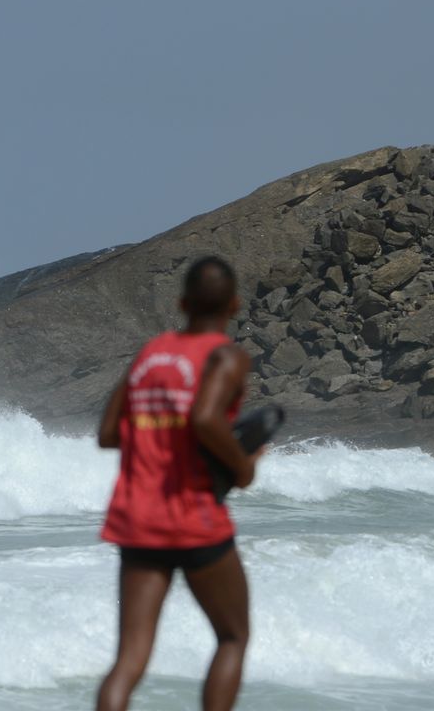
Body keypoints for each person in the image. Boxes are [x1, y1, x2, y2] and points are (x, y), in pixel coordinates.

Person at [95, 256, 259, 711]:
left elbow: (108, 434)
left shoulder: (149, 356)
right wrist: (243, 467)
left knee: (129, 659)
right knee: (232, 636)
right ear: (234, 305)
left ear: (182, 303)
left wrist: (157, 435)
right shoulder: (226, 356)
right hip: (193, 516)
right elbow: (204, 418)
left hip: (137, 518)